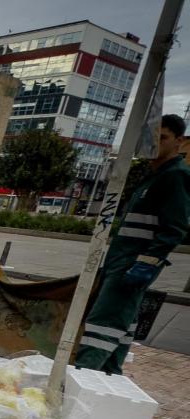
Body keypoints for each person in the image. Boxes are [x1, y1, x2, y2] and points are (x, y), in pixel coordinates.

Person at [75, 114, 190, 374]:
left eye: (163, 138)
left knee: (103, 323)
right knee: (122, 325)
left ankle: (81, 375)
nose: (155, 144)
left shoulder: (175, 176)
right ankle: (111, 374)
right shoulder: (153, 176)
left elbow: (174, 228)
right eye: (152, 138)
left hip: (131, 265)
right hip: (121, 261)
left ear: (179, 141)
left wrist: (145, 264)